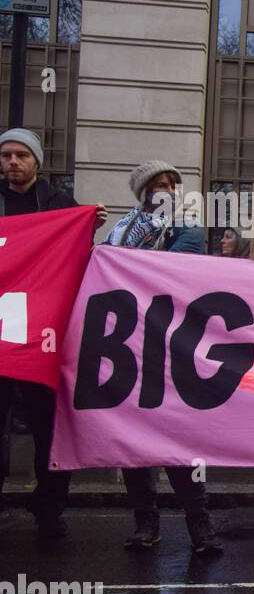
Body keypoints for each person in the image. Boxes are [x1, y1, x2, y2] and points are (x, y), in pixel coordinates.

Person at [101, 162, 223, 555]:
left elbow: (172, 272)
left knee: (178, 438)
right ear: (142, 194)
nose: (166, 190)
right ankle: (145, 522)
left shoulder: (186, 228)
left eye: (172, 184)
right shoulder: (119, 232)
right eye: (156, 186)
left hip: (172, 347)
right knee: (134, 440)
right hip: (128, 346)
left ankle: (199, 524)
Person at [0, 128, 107, 537]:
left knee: (49, 423)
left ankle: (49, 506)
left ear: (36, 161)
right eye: (6, 155)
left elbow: (75, 258)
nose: (12, 162)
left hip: (42, 334)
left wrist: (87, 227)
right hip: (4, 330)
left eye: (20, 155)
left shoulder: (61, 205)